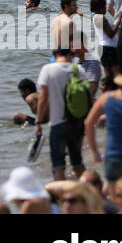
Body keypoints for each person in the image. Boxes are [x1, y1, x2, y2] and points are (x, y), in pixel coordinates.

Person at [35, 45, 85, 181]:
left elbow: (43, 98)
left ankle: (61, 199)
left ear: (55, 55)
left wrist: (38, 122)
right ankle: (88, 194)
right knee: (78, 163)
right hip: (77, 123)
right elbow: (86, 97)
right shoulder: (79, 70)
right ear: (70, 55)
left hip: (57, 123)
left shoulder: (48, 69)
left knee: (58, 166)